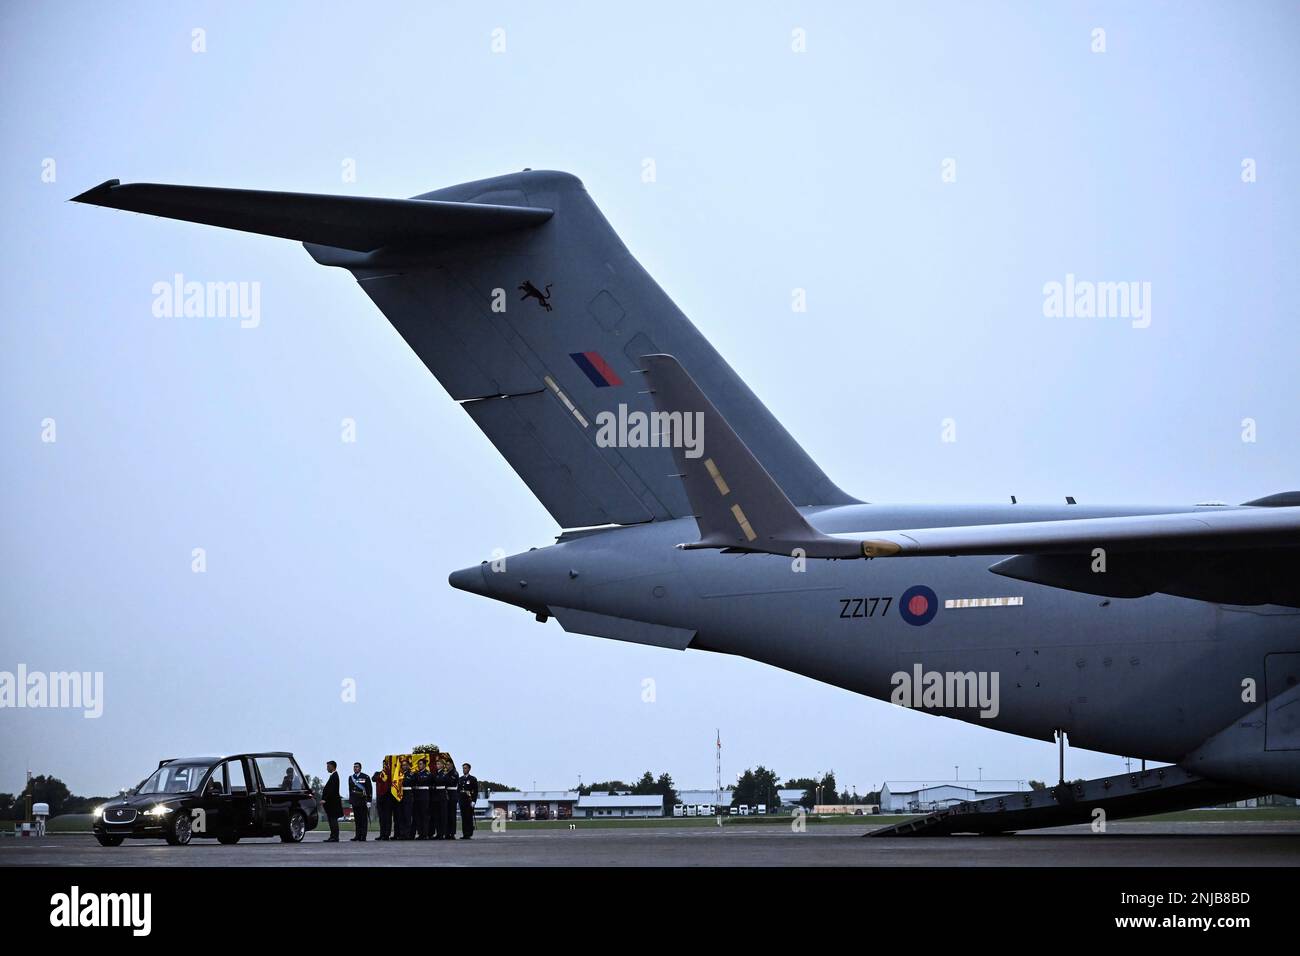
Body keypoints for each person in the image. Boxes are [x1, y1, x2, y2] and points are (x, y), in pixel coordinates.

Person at [348, 763, 372, 841]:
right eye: (354, 767)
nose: (355, 768)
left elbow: (369, 789)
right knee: (357, 819)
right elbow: (350, 790)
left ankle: (363, 836)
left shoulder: (365, 777)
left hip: (363, 800)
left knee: (363, 819)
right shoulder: (351, 778)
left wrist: (369, 801)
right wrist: (351, 801)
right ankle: (357, 835)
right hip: (355, 801)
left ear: (360, 768)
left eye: (357, 767)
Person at [436, 756, 458, 840]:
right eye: (446, 765)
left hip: (452, 795)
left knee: (452, 815)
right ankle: (447, 832)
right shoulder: (446, 773)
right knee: (446, 815)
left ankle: (452, 833)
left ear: (452, 765)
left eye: (448, 765)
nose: (447, 766)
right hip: (446, 795)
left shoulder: (454, 773)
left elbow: (451, 782)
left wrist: (445, 776)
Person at [412, 756, 433, 840]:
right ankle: (420, 833)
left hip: (425, 796)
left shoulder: (428, 774)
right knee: (418, 816)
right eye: (418, 764)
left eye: (420, 764)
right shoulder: (416, 774)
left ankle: (425, 834)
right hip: (417, 797)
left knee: (425, 816)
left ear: (424, 765)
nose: (419, 765)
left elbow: (426, 783)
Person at [457, 762, 478, 840]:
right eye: (463, 768)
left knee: (468, 817)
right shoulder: (461, 779)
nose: (464, 769)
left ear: (469, 769)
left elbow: (475, 791)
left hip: (469, 801)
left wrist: (474, 801)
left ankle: (469, 833)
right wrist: (458, 799)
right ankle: (465, 833)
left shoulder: (472, 779)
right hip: (462, 800)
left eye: (465, 768)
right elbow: (458, 790)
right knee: (464, 818)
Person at [322, 761, 342, 842]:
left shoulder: (334, 776)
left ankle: (335, 836)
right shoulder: (333, 776)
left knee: (333, 820)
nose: (327, 768)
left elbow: (332, 790)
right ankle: (333, 836)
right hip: (332, 803)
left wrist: (325, 799)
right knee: (331, 820)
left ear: (332, 767)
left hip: (332, 803)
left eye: (328, 766)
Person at [397, 756, 415, 840]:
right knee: (401, 816)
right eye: (402, 765)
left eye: (405, 765)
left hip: (408, 795)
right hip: (400, 796)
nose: (404, 766)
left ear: (408, 766)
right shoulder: (399, 774)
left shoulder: (411, 774)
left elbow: (411, 782)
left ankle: (408, 834)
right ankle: (402, 833)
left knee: (408, 816)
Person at [374, 766, 393, 840]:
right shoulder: (378, 773)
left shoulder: (390, 774)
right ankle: (382, 834)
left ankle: (386, 834)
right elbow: (373, 778)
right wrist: (381, 775)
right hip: (380, 799)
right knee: (381, 819)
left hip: (387, 800)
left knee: (387, 818)